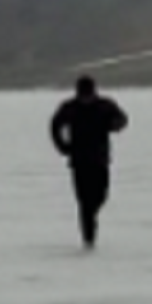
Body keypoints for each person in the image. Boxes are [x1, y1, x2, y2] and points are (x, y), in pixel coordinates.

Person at [50, 76, 129, 249]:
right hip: (79, 162)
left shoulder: (105, 105)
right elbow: (55, 126)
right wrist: (63, 146)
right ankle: (88, 238)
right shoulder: (69, 108)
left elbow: (122, 119)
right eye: (83, 96)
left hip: (100, 160)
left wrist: (115, 125)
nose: (86, 99)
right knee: (84, 201)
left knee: (101, 195)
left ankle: (90, 219)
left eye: (89, 95)